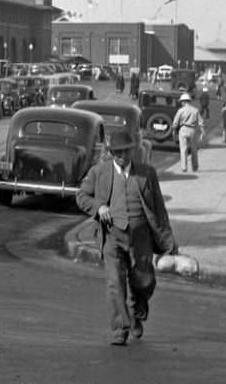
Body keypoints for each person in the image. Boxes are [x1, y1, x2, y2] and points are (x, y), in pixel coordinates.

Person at [75, 130, 177, 345]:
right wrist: (99, 206)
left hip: (141, 238)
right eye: (118, 152)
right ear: (112, 153)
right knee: (115, 283)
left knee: (144, 282)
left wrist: (169, 241)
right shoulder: (99, 172)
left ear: (133, 150)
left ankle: (136, 313)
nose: (123, 155)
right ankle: (120, 328)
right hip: (112, 236)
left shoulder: (146, 173)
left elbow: (159, 208)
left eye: (127, 150)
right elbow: (81, 195)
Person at [171, 92, 202, 172]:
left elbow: (175, 123)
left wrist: (174, 131)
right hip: (192, 130)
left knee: (183, 149)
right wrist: (201, 132)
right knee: (194, 149)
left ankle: (184, 167)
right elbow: (201, 122)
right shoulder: (195, 110)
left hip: (183, 129)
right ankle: (195, 167)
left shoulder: (180, 111)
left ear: (184, 101)